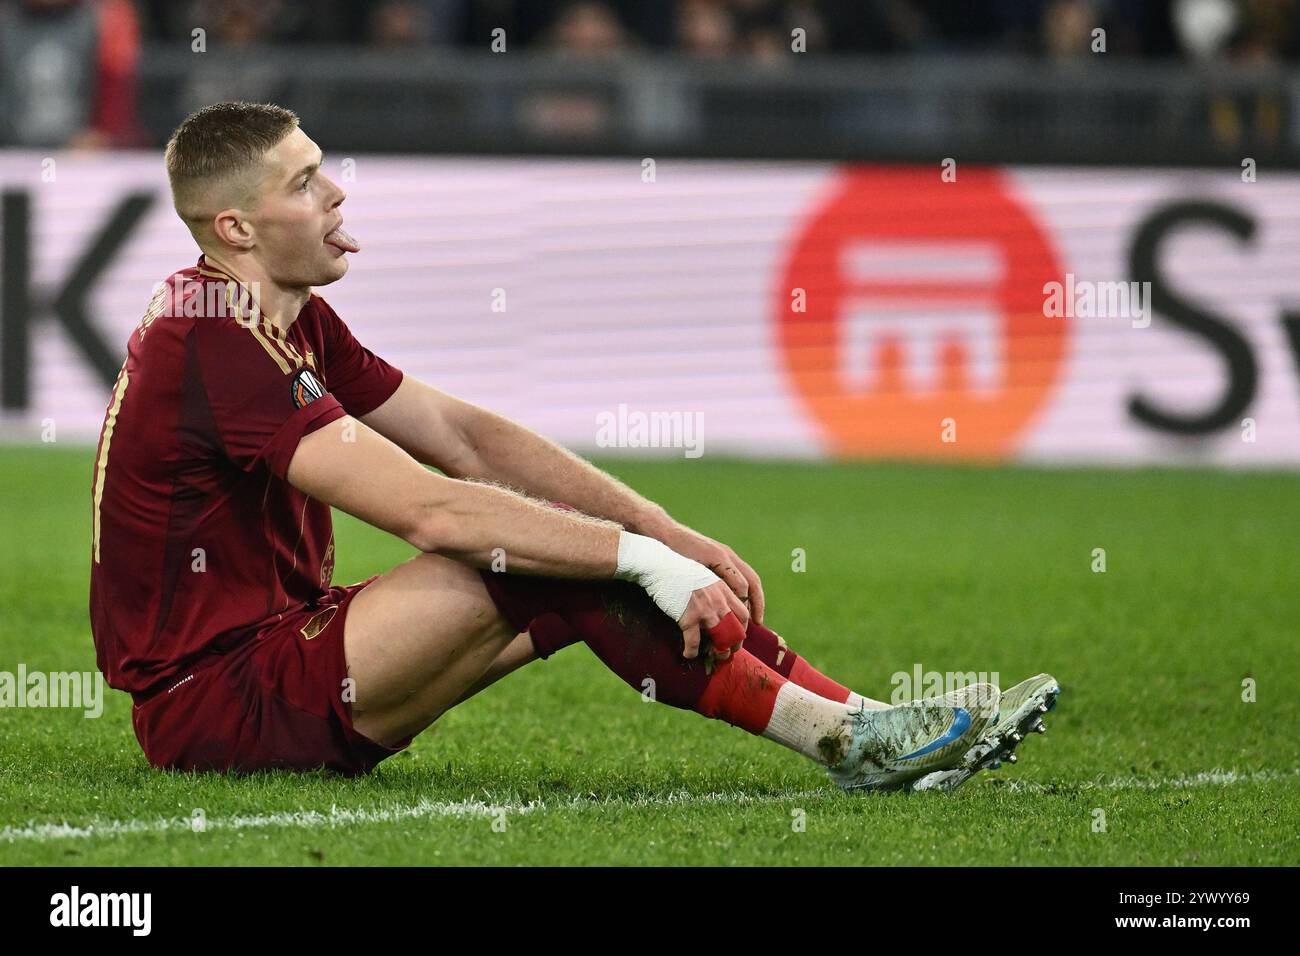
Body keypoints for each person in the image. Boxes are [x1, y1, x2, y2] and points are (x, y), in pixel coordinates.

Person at [90, 101, 1054, 792]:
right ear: (237, 227)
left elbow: (463, 435)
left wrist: (655, 527)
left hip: (275, 658)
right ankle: (860, 738)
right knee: (543, 554)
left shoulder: (280, 316)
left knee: (570, 558)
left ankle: (867, 731)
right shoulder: (212, 336)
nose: (336, 193)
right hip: (213, 704)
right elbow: (430, 506)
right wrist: (638, 555)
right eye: (305, 182)